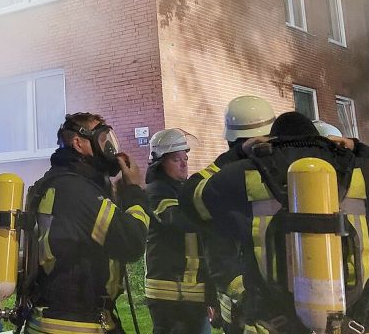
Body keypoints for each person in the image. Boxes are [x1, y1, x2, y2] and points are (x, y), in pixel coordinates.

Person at [180, 112, 369, 334]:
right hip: (356, 325)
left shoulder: (244, 174)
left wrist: (238, 153)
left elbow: (189, 199)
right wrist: (360, 149)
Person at [23, 112, 149, 334]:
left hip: (61, 318)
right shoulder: (77, 190)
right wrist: (134, 191)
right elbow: (131, 242)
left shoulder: (58, 183)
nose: (109, 148)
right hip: (76, 323)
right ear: (78, 143)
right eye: (102, 139)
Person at [184, 95, 278, 334]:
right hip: (260, 303)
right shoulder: (286, 174)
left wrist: (233, 157)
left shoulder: (224, 183)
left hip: (247, 307)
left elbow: (191, 194)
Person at [144, 128, 211, 334]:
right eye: (176, 159)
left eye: (185, 158)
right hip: (170, 294)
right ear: (159, 162)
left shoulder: (181, 189)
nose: (184, 164)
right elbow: (175, 220)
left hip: (189, 292)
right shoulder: (156, 190)